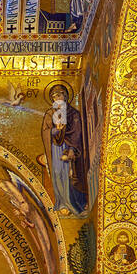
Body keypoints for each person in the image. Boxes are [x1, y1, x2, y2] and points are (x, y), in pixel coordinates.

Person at [39, 83, 87, 214]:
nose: (57, 98)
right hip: (55, 149)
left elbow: (77, 132)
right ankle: (61, 202)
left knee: (69, 174)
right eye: (54, 96)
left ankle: (72, 203)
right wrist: (56, 130)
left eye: (59, 95)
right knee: (57, 173)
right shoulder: (50, 113)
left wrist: (72, 148)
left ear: (65, 96)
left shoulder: (73, 113)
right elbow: (45, 131)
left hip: (68, 148)